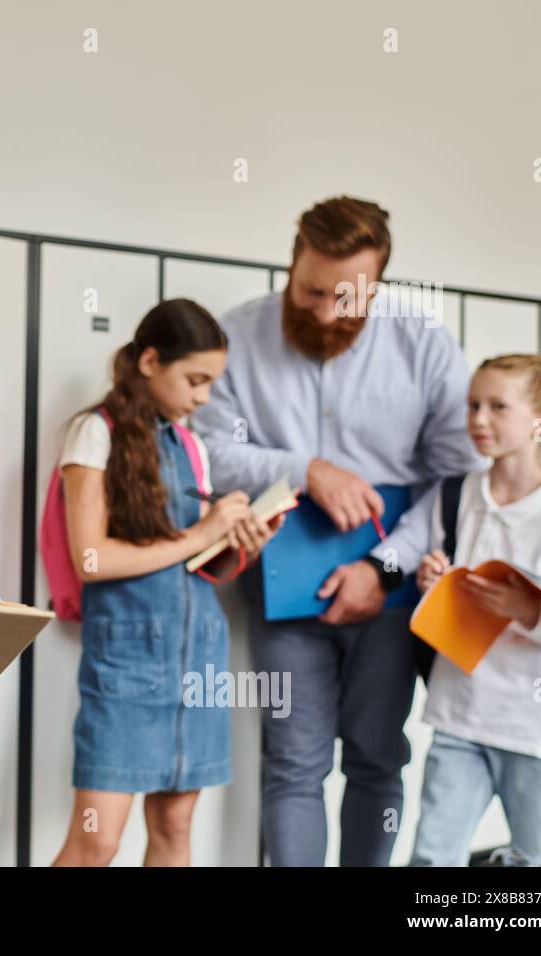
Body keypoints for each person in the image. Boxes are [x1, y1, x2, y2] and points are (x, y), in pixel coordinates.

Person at [191, 195, 485, 865]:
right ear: (291, 263)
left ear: (378, 283)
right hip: (281, 581)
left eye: (345, 298)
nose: (324, 311)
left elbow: (456, 481)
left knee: (378, 759)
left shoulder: (425, 343)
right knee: (294, 763)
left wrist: (381, 570)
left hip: (390, 585)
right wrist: (307, 469)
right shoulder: (237, 335)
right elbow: (205, 449)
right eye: (311, 291)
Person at [52, 299, 281, 867]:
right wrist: (199, 531)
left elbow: (193, 564)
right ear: (150, 361)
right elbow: (90, 557)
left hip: (198, 660)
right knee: (96, 842)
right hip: (129, 668)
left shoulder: (192, 445)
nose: (203, 397)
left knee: (176, 830)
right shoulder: (93, 432)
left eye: (211, 384)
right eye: (196, 380)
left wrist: (235, 542)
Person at [410, 354, 541, 866]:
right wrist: (432, 580)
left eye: (497, 407)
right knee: (432, 858)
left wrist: (525, 611)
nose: (478, 420)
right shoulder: (458, 493)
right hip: (459, 715)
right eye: (473, 405)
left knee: (538, 860)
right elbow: (444, 584)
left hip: (533, 730)